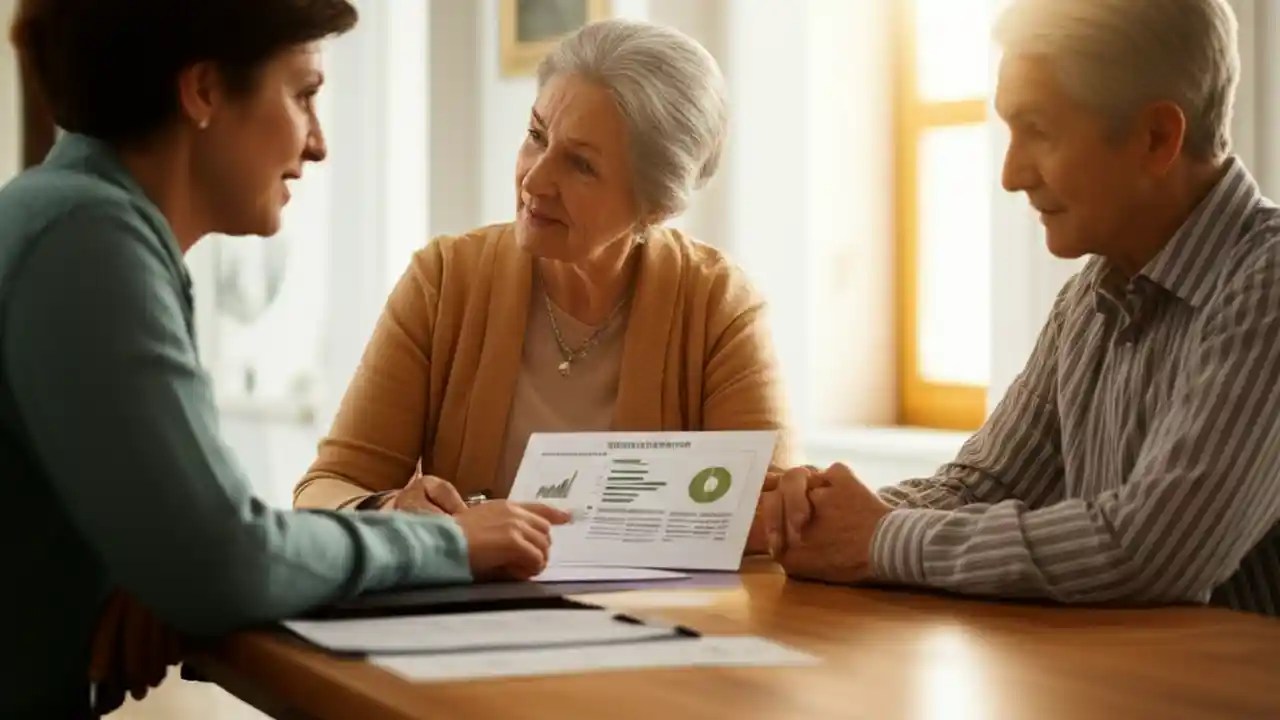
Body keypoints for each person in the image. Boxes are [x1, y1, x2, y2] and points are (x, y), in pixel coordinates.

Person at [1, 1, 567, 716]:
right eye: (303, 94)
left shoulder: (68, 218)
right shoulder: (88, 240)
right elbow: (225, 560)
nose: (320, 143)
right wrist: (447, 541)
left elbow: (200, 549)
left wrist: (151, 567)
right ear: (204, 91)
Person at [765, 0, 1279, 615]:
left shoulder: (1266, 283)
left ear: (1156, 137)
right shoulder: (1092, 294)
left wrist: (876, 538)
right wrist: (817, 513)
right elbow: (986, 484)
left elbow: (1151, 550)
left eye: (1038, 130)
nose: (1010, 175)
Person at [293, 19, 796, 536]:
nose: (534, 179)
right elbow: (326, 489)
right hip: (470, 612)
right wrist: (389, 511)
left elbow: (774, 513)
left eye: (580, 164)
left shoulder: (718, 303)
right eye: (536, 136)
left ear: (657, 204)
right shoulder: (444, 282)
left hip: (650, 614)